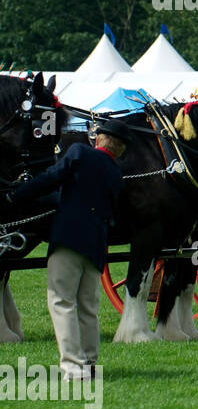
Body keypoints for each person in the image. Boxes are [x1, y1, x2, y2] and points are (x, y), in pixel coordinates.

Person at [5, 119, 128, 379]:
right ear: (120, 149)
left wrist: (15, 195)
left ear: (98, 139)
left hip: (69, 239)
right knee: (88, 306)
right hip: (96, 246)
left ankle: (73, 365)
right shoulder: (116, 173)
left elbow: (51, 178)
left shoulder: (79, 153)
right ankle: (90, 363)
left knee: (61, 301)